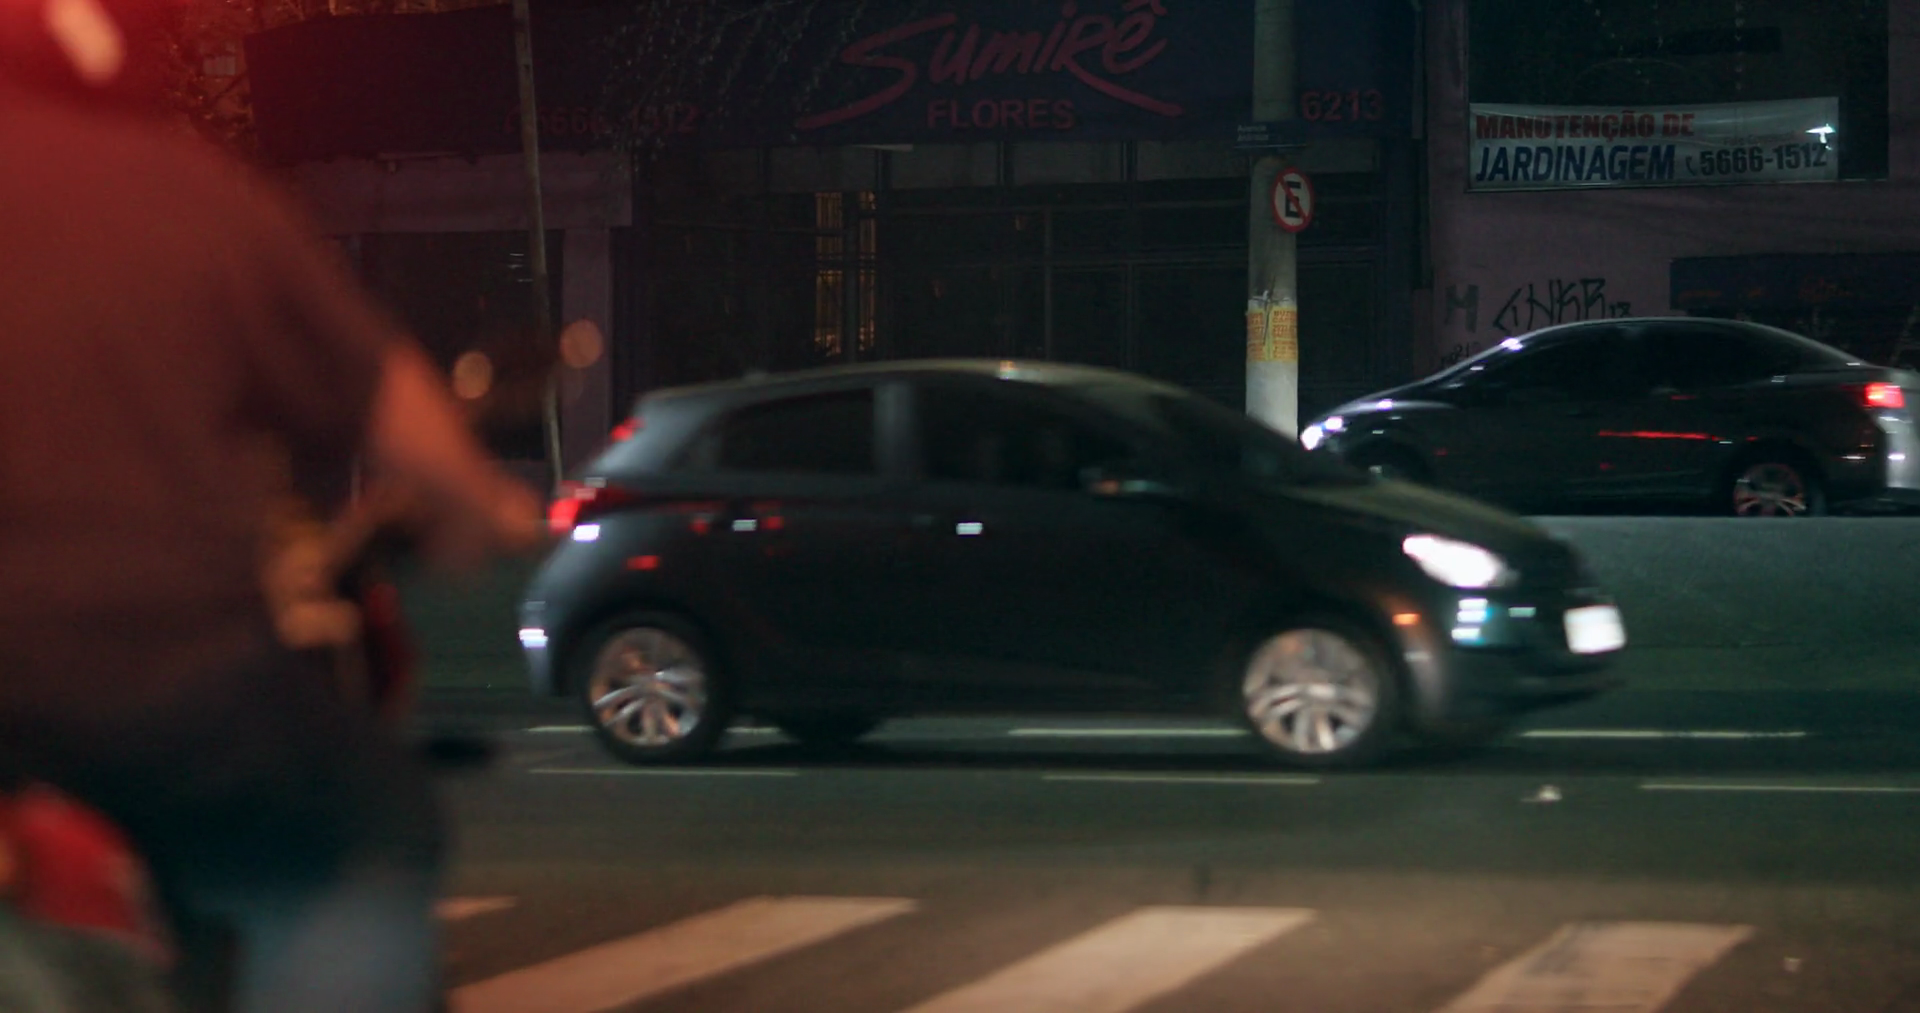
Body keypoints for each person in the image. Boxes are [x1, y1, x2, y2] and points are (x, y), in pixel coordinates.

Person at [0, 0, 546, 1007]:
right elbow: (408, 422)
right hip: (158, 680)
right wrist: (488, 509)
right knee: (375, 832)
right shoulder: (182, 192)